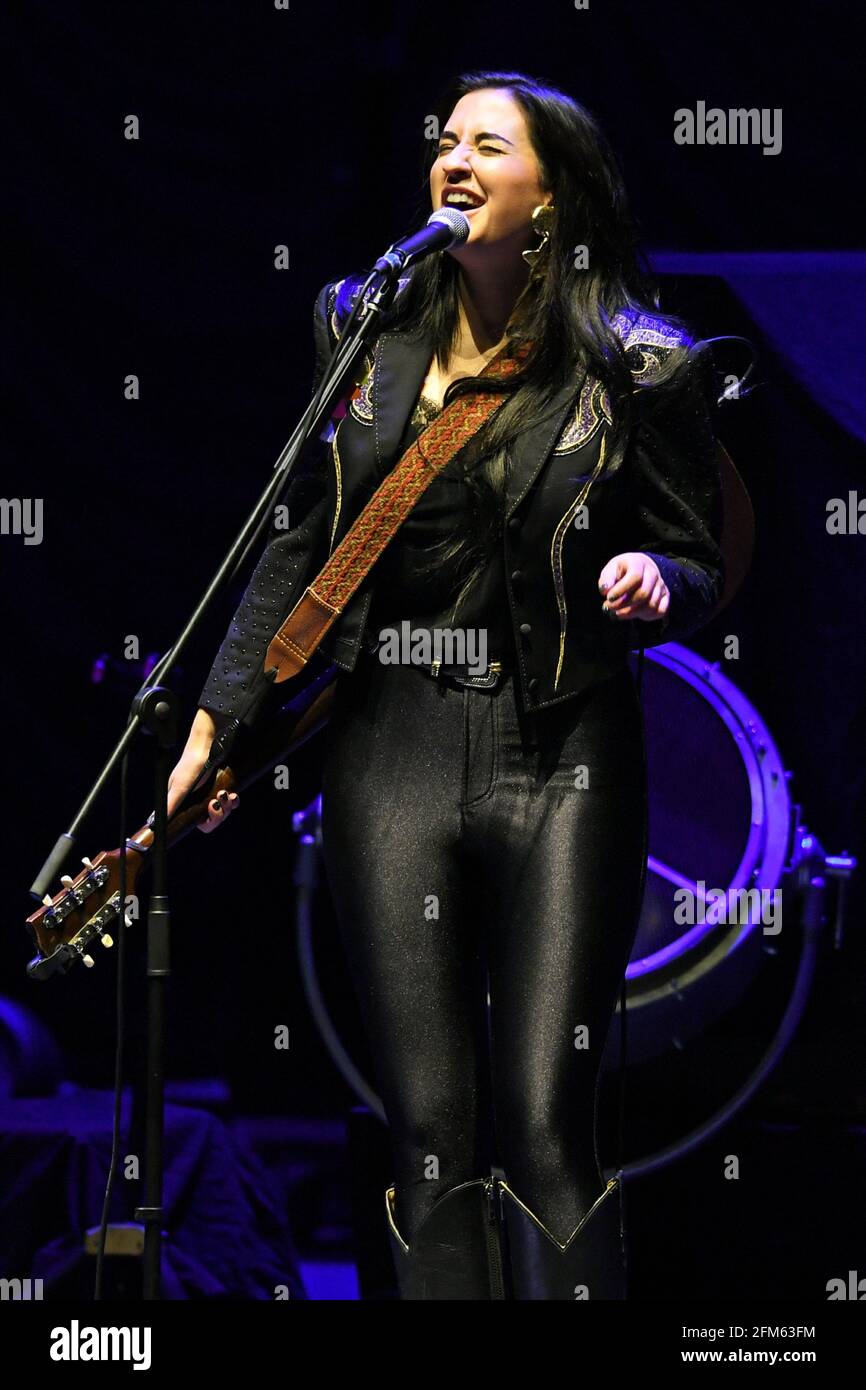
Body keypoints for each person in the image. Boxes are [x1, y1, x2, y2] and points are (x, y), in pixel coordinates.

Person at [166, 70, 725, 1300]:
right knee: (425, 1129)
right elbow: (300, 539)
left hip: (561, 750)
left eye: (490, 144)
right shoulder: (358, 328)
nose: (455, 160)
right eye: (446, 141)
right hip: (391, 751)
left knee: (540, 1122)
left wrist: (655, 576)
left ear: (552, 193)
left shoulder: (640, 364)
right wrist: (218, 716)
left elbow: (704, 557)